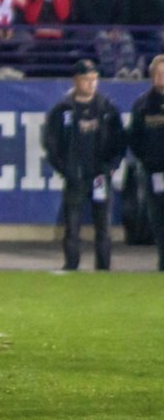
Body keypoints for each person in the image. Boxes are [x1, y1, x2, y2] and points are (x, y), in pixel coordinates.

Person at [43, 60, 126, 271]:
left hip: (100, 176)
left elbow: (120, 142)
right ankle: (71, 266)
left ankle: (103, 268)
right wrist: (66, 169)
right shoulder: (62, 110)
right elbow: (51, 144)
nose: (91, 83)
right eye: (86, 79)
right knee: (72, 226)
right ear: (76, 80)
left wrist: (110, 167)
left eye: (94, 79)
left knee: (104, 228)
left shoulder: (107, 109)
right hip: (75, 176)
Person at [128, 55, 164, 271]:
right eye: (159, 73)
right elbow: (134, 137)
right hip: (153, 171)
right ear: (152, 76)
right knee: (158, 218)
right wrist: (147, 161)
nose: (162, 77)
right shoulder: (143, 104)